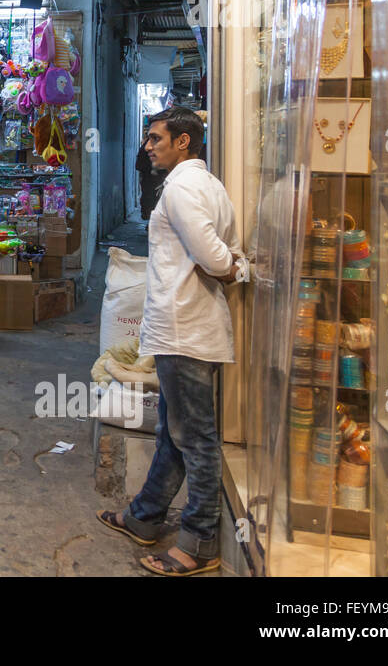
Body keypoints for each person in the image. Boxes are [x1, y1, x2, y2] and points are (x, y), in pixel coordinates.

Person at [96, 107, 244, 576]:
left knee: (194, 439)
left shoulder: (181, 188)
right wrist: (234, 265)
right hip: (187, 328)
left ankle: (199, 544)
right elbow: (227, 249)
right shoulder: (211, 185)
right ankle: (144, 516)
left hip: (185, 331)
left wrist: (237, 269)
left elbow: (218, 257)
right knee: (173, 434)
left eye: (157, 138)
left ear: (184, 142)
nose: (148, 146)